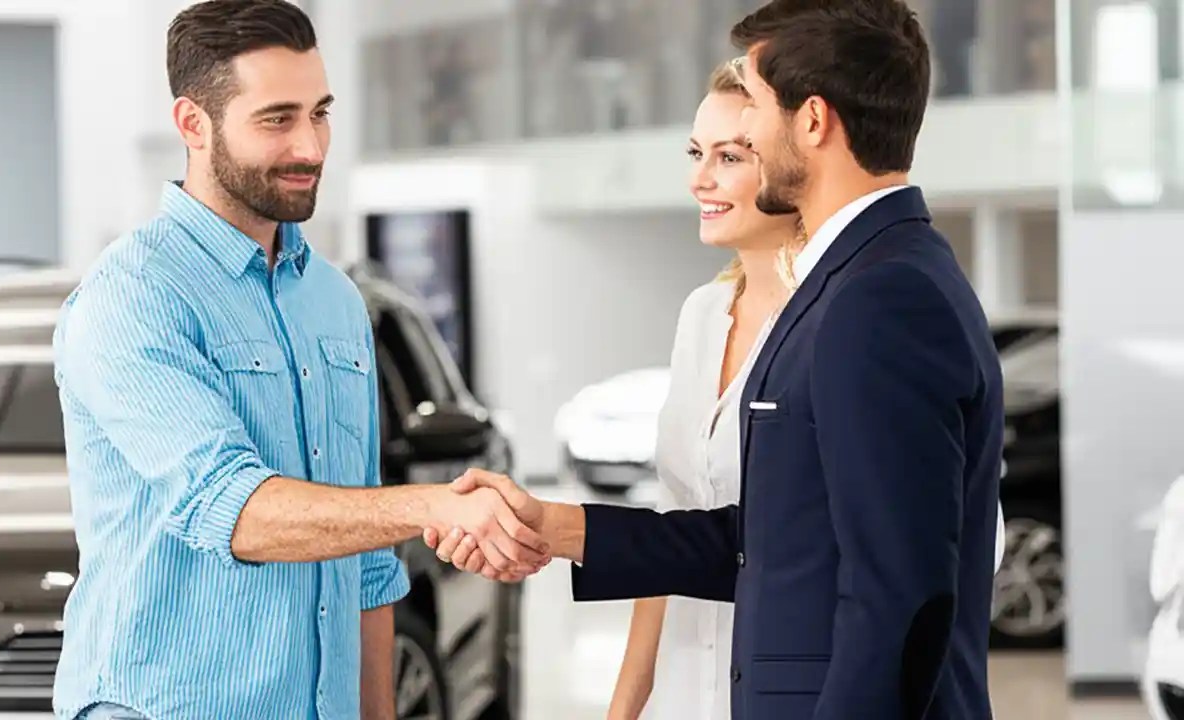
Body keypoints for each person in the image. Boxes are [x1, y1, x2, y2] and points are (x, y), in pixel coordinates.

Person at [429, 2, 1004, 718]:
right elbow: (768, 542)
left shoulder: (880, 296)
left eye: (755, 110)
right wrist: (553, 526)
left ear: (813, 121)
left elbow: (902, 597)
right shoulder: (857, 283)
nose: (748, 138)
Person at [51, 2, 546, 719]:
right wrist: (433, 504)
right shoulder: (133, 296)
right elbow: (237, 513)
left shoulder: (336, 302)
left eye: (320, 113)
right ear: (193, 124)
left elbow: (368, 571)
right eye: (277, 119)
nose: (311, 146)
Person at [607, 57, 805, 720]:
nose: (700, 178)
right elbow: (673, 528)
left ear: (787, 163)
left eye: (730, 156)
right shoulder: (702, 316)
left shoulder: (834, 325)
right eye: (696, 152)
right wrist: (625, 706)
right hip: (686, 698)